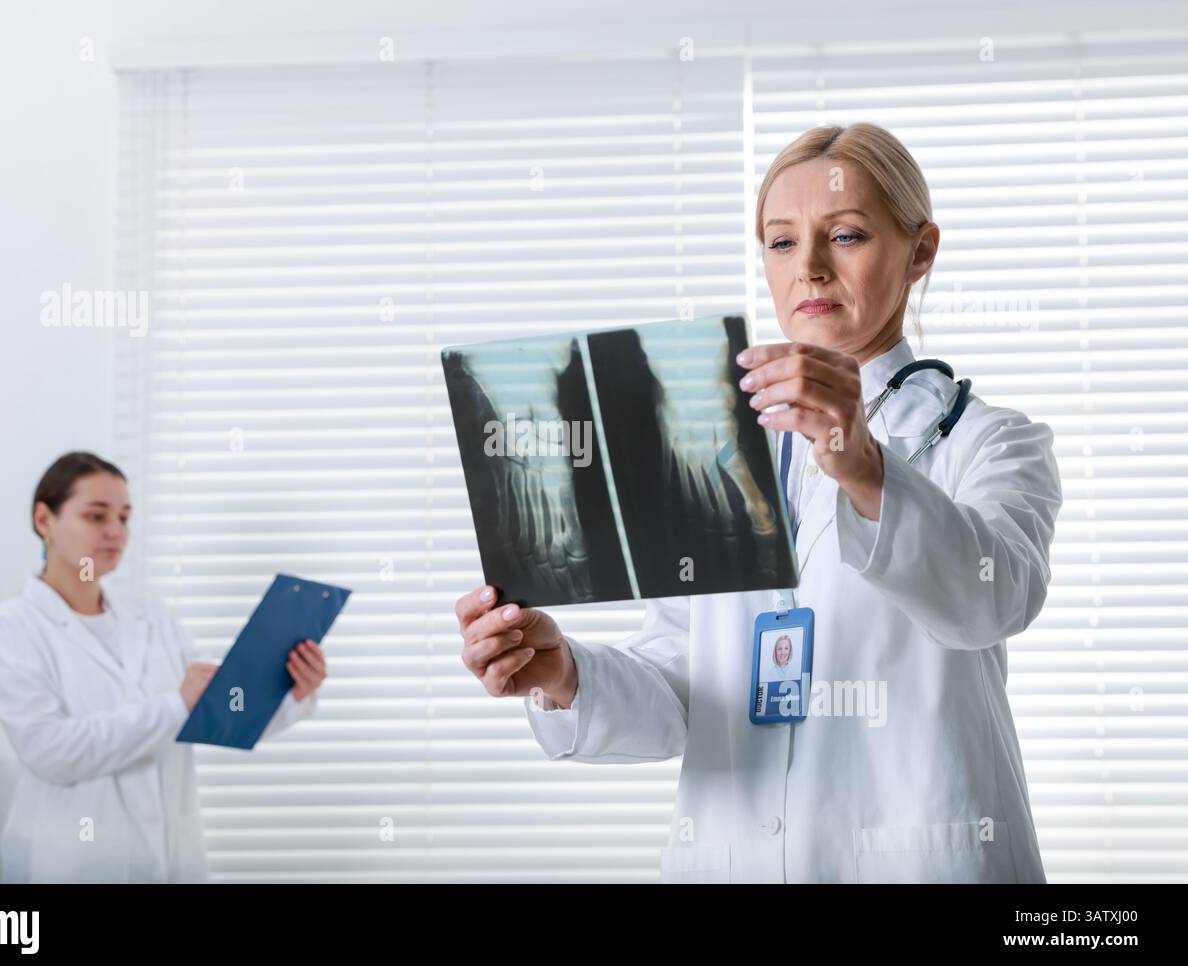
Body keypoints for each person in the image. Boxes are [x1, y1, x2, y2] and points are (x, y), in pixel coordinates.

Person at [455, 122, 1063, 883]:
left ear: (920, 251)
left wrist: (868, 468)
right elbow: (683, 685)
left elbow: (993, 598)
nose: (807, 268)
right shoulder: (707, 448)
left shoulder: (992, 441)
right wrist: (563, 673)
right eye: (781, 242)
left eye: (844, 235)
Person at [0, 451, 328, 883]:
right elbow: (51, 753)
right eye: (96, 516)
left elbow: (216, 716)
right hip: (74, 866)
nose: (115, 533)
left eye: (125, 518)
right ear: (44, 520)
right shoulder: (14, 627)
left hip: (173, 861)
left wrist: (291, 691)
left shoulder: (152, 615)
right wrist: (174, 706)